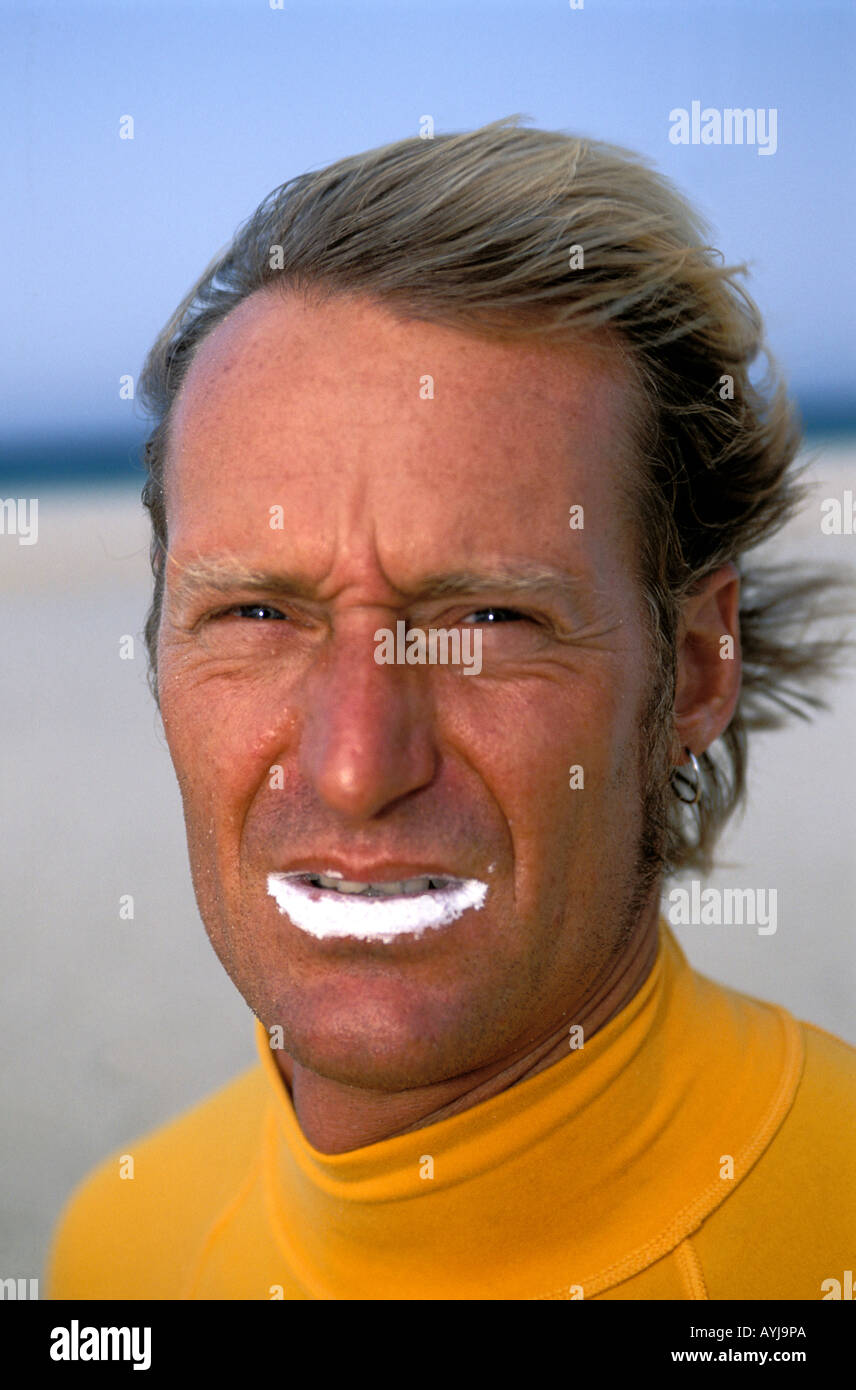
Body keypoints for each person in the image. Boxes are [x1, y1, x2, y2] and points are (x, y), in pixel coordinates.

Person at [48, 118, 854, 1300]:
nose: (353, 764)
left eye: (487, 621)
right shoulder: (117, 1250)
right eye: (258, 615)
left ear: (691, 669)